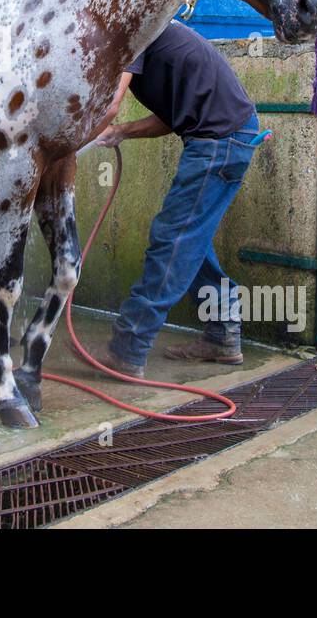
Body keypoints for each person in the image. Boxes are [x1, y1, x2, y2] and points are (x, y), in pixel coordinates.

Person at [90, 21, 265, 375]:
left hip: (219, 142)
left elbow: (110, 105)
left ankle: (128, 349)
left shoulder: (133, 31)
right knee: (191, 240)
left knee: (172, 241)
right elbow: (172, 118)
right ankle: (222, 337)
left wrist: (73, 138)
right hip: (228, 137)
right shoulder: (152, 33)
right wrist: (121, 132)